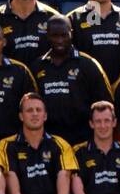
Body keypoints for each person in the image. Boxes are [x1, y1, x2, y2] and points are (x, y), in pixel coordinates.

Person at [32, 14, 113, 147]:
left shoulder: (89, 65)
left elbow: (106, 105)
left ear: (72, 34)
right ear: (47, 36)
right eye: (55, 35)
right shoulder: (36, 67)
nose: (59, 40)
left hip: (83, 141)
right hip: (46, 142)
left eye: (64, 35)